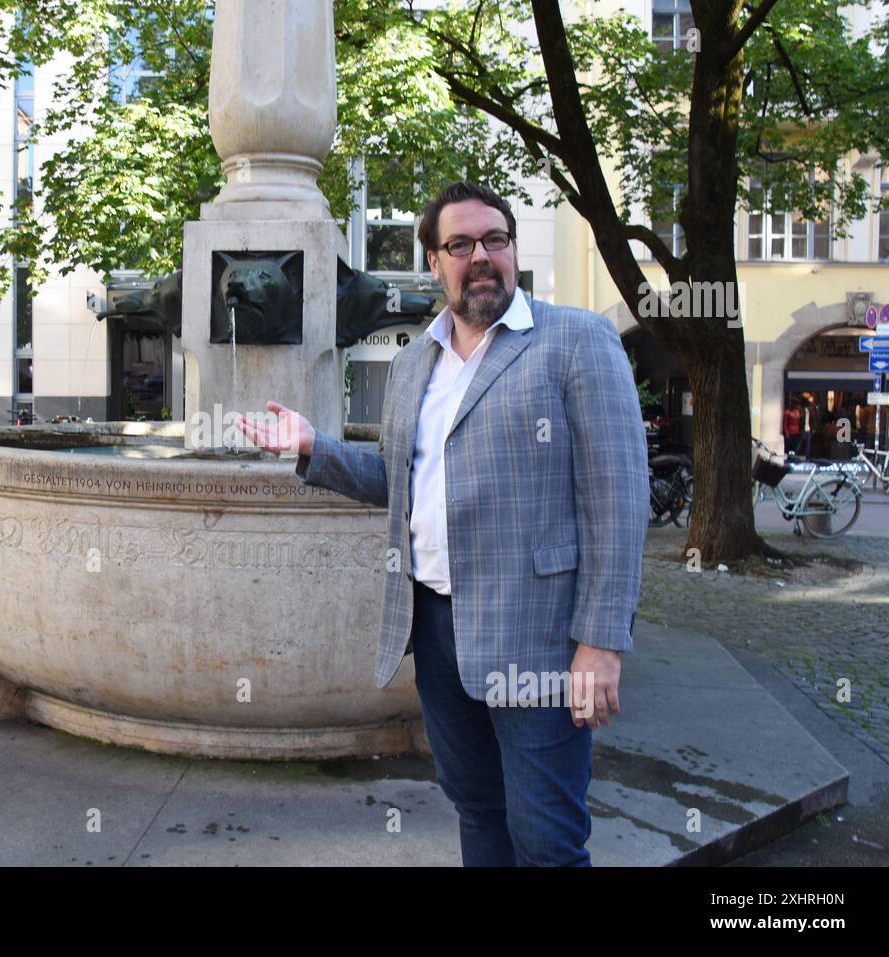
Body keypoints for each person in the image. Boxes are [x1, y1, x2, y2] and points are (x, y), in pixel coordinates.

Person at [237, 181, 649, 867]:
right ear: (434, 261)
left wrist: (601, 642)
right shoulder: (412, 363)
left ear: (512, 249)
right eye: (461, 244)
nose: (481, 256)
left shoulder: (576, 342)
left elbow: (619, 500)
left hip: (537, 637)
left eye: (495, 239)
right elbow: (403, 486)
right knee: (478, 810)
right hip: (431, 627)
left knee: (548, 835)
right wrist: (316, 448)